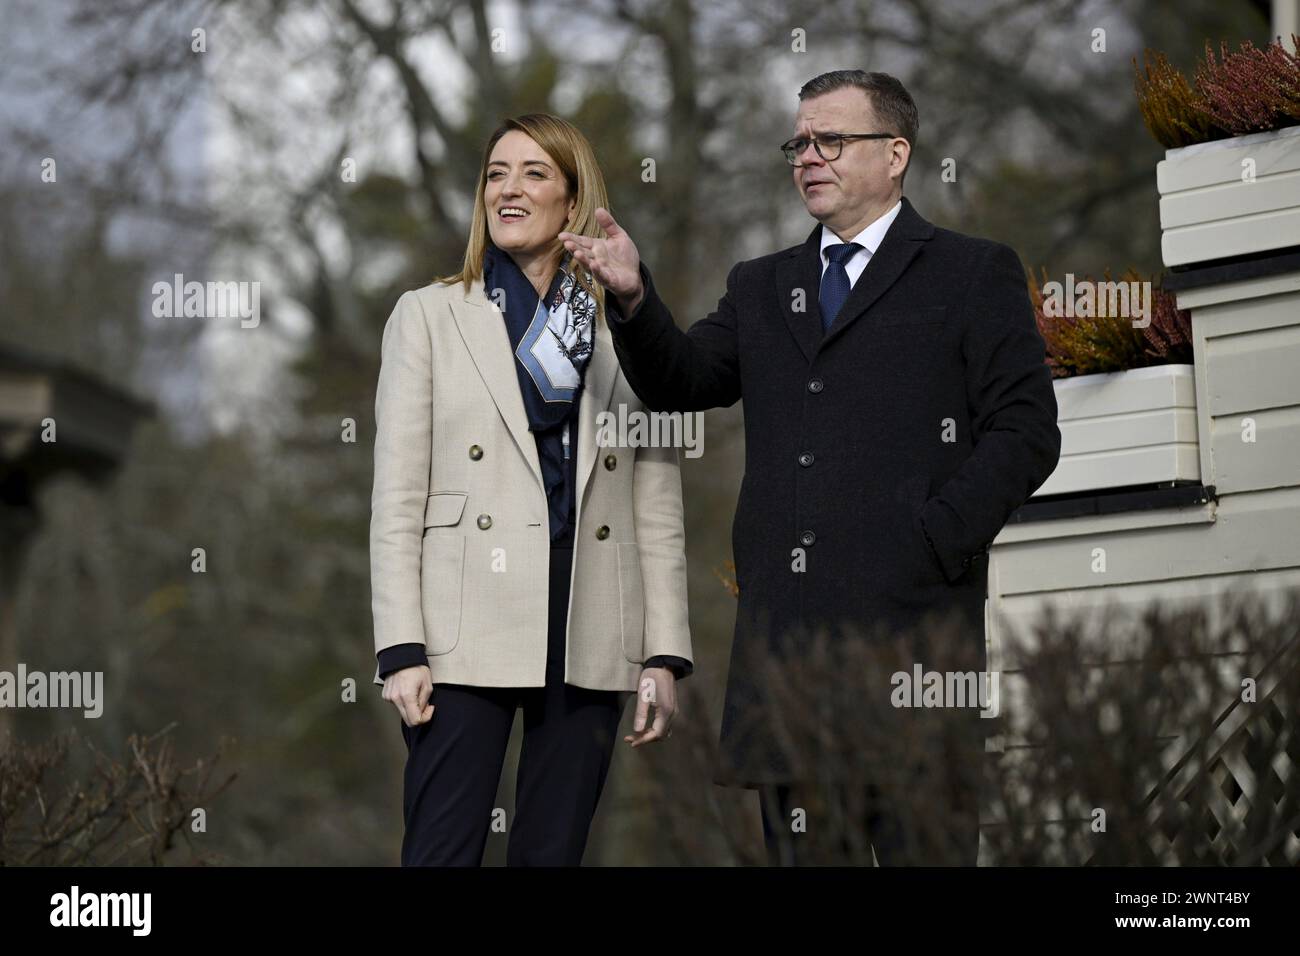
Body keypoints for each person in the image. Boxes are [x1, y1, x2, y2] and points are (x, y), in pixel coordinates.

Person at [560, 70, 1061, 865]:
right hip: (786, 656)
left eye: (833, 140)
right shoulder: (763, 286)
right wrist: (632, 296)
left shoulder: (972, 273)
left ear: (896, 154)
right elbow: (684, 383)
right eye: (800, 142)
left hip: (915, 652)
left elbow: (1028, 431)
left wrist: (933, 540)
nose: (809, 157)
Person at [370, 113, 693, 866]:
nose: (508, 190)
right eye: (495, 174)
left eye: (534, 174)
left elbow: (656, 505)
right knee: (441, 853)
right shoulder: (429, 315)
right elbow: (397, 496)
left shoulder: (629, 330)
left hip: (590, 622)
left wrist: (663, 654)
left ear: (574, 199)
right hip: (458, 630)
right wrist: (400, 649)